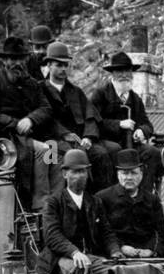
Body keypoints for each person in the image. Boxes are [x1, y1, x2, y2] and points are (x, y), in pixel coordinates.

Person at [0, 36, 57, 210]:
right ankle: (40, 207)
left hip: (27, 136)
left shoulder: (31, 84)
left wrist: (30, 119)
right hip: (2, 139)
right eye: (12, 59)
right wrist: (15, 123)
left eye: (20, 59)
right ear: (4, 60)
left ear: (26, 59)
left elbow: (46, 108)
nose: (16, 63)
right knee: (44, 151)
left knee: (59, 153)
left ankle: (55, 205)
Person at [38, 41, 113, 189]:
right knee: (63, 159)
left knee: (102, 154)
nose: (63, 69)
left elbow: (90, 116)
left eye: (66, 65)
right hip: (52, 139)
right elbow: (43, 118)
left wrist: (88, 137)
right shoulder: (39, 90)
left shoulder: (76, 91)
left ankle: (102, 199)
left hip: (80, 139)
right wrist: (64, 134)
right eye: (58, 65)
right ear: (49, 65)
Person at [41, 149, 123, 274]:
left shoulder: (95, 202)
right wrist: (74, 252)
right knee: (79, 270)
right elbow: (52, 235)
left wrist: (115, 251)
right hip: (60, 258)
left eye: (83, 171)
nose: (79, 176)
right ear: (64, 174)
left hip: (90, 257)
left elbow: (106, 232)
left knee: (116, 272)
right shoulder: (53, 202)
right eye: (75, 172)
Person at [90, 51, 156, 175]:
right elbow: (94, 123)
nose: (124, 75)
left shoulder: (135, 99)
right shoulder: (100, 94)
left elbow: (147, 125)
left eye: (128, 71)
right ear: (113, 74)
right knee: (116, 151)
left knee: (151, 152)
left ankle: (144, 192)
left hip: (131, 144)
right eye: (120, 71)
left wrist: (141, 131)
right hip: (105, 142)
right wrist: (119, 124)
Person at [96, 148, 164, 258]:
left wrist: (151, 250)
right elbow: (101, 232)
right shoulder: (103, 198)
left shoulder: (152, 200)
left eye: (134, 173)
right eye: (125, 173)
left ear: (141, 174)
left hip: (147, 256)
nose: (129, 177)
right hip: (116, 256)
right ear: (118, 174)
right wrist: (120, 247)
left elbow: (160, 232)